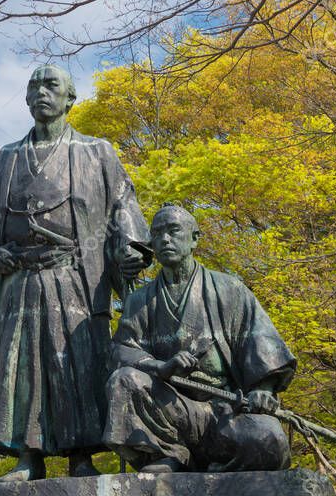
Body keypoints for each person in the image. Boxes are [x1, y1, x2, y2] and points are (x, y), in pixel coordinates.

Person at [0, 64, 151, 481]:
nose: (41, 92)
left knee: (80, 360)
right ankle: (28, 457)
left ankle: (82, 456)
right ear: (26, 100)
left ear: (70, 98)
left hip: (76, 274)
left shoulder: (95, 151)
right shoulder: (8, 157)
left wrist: (131, 250)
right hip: (21, 278)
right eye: (33, 86)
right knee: (22, 361)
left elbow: (122, 204)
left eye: (51, 85)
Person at [103, 203, 296, 473]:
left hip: (224, 412)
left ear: (194, 238)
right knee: (123, 380)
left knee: (270, 441)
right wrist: (160, 366)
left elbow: (262, 342)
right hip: (169, 408)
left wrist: (263, 389)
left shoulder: (229, 289)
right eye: (157, 234)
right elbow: (121, 351)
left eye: (173, 231)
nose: (165, 239)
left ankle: (212, 469)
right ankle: (168, 454)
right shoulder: (139, 301)